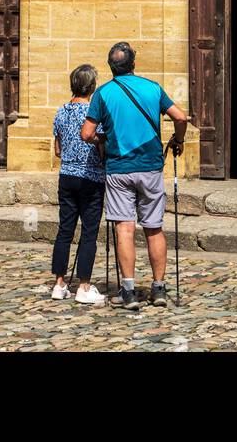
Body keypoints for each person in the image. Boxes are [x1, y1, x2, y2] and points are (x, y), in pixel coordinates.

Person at [82, 40, 187, 310]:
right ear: (133, 64)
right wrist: (178, 139)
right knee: (154, 228)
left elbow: (87, 133)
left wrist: (101, 140)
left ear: (110, 66)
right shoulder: (153, 88)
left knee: (124, 229)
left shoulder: (104, 93)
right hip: (150, 167)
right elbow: (181, 117)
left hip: (119, 169)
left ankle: (128, 291)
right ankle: (159, 288)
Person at [50, 64, 107, 305]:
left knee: (65, 229)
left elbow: (57, 149)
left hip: (67, 177)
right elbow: (101, 145)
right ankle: (84, 285)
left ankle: (59, 283)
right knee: (89, 233)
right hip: (91, 178)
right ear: (92, 87)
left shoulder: (61, 112)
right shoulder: (95, 114)